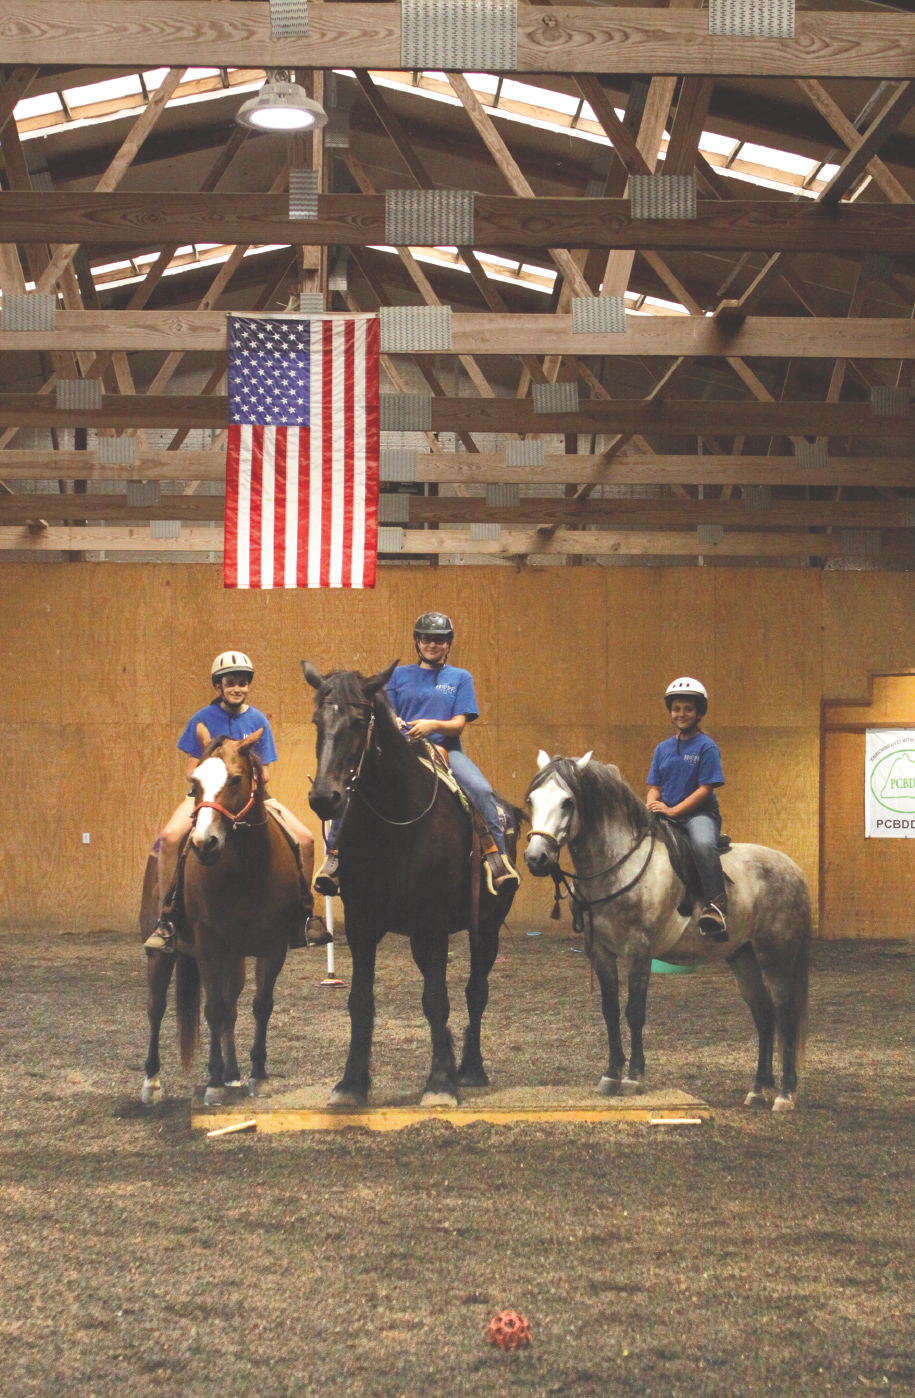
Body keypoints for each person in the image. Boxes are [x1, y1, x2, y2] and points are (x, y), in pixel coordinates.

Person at [314, 612, 520, 896]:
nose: (432, 645)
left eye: (439, 640)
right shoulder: (399, 676)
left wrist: (433, 725)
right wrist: (395, 720)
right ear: (417, 642)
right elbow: (388, 711)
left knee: (481, 791)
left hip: (445, 750)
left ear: (448, 643)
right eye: (426, 639)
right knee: (354, 785)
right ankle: (334, 858)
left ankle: (498, 860)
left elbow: (459, 724)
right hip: (403, 750)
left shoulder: (460, 678)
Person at [143, 650, 330, 952]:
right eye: (230, 683)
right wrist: (211, 777)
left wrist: (242, 775)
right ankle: (167, 920)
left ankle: (303, 917)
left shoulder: (257, 720)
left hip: (253, 797)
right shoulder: (202, 719)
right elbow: (190, 768)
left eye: (242, 683)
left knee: (306, 839)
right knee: (169, 838)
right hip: (205, 798)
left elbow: (266, 773)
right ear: (219, 686)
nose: (237, 689)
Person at [646, 677, 728, 941]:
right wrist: (651, 804)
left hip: (698, 815)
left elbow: (705, 789)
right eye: (676, 708)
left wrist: (673, 811)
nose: (681, 714)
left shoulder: (707, 746)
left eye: (688, 709)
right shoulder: (662, 748)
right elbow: (654, 786)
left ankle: (716, 906)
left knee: (703, 845)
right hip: (667, 813)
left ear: (699, 712)